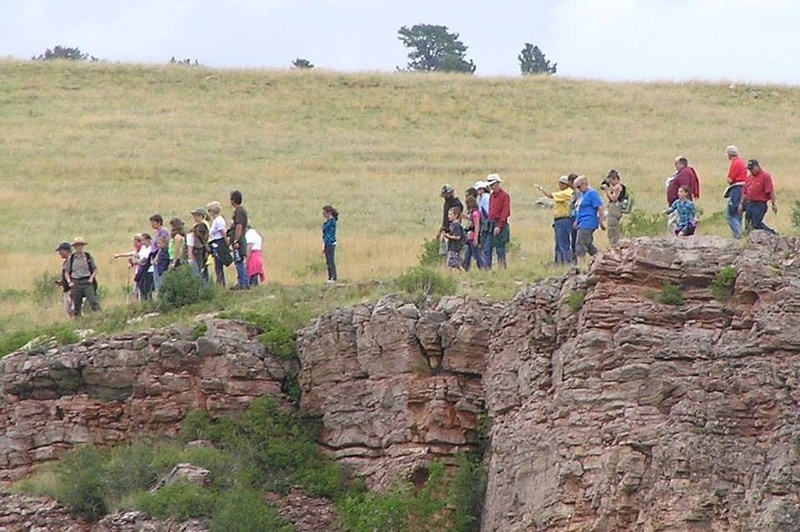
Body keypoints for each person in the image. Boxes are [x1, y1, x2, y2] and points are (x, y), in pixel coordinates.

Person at [536, 175, 573, 264]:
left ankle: (564, 262)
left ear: (564, 184)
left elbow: (550, 195)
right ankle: (559, 262)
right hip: (559, 220)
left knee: (563, 242)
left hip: (563, 220)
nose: (559, 186)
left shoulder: (566, 193)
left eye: (560, 183)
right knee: (559, 242)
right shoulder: (565, 192)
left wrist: (541, 188)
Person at [573, 176, 605, 271]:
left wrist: (601, 221)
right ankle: (601, 259)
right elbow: (580, 209)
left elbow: (600, 206)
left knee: (580, 243)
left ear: (584, 184)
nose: (578, 190)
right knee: (588, 244)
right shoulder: (582, 195)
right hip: (581, 221)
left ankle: (581, 266)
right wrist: (576, 221)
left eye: (579, 187)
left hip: (588, 222)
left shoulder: (592, 193)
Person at [739, 159, 778, 235]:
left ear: (757, 167)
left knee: (756, 223)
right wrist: (741, 204)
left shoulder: (765, 176)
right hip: (749, 204)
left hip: (759, 204)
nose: (751, 171)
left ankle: (771, 234)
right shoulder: (749, 178)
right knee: (748, 225)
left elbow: (770, 191)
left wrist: (773, 204)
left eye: (752, 169)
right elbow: (744, 192)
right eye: (749, 169)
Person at [65, 237, 100, 317]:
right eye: (77, 246)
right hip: (76, 282)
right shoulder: (72, 258)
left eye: (80, 245)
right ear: (75, 247)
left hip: (87, 281)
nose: (79, 247)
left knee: (93, 301)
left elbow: (95, 269)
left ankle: (99, 317)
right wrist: (69, 281)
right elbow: (66, 271)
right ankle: (78, 322)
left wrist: (91, 278)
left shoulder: (87, 256)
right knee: (77, 304)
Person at [486, 173, 511, 269]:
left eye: (492, 184)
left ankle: (502, 268)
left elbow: (505, 212)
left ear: (497, 183)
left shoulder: (504, 196)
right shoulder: (492, 196)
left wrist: (499, 226)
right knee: (487, 248)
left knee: (500, 249)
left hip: (500, 223)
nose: (491, 187)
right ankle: (487, 269)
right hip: (491, 223)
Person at [723, 145, 747, 239]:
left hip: (736, 189)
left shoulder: (735, 163)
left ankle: (738, 235)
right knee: (738, 213)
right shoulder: (741, 162)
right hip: (743, 188)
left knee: (730, 214)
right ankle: (737, 235)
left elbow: (730, 179)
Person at [229, 190, 249, 290]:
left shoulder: (239, 211)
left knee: (239, 260)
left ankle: (243, 282)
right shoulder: (240, 211)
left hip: (239, 240)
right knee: (239, 261)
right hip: (239, 239)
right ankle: (243, 281)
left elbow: (239, 226)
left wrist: (236, 240)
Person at [206, 201, 230, 287]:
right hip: (216, 243)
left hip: (219, 243)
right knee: (217, 265)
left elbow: (223, 233)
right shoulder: (216, 220)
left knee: (218, 265)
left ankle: (221, 283)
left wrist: (227, 243)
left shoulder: (218, 221)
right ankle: (220, 283)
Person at [114, 234, 144, 300]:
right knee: (136, 289)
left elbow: (134, 256)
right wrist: (119, 255)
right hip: (138, 272)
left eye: (134, 242)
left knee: (139, 289)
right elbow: (130, 254)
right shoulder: (137, 250)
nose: (133, 243)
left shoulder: (143, 250)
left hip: (142, 272)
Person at [602, 170, 627, 246]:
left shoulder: (618, 187)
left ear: (615, 179)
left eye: (611, 180)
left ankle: (615, 245)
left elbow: (614, 198)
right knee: (613, 229)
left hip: (615, 210)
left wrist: (607, 191)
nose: (610, 182)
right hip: (616, 209)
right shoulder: (618, 187)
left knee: (612, 229)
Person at [437, 185, 463, 256]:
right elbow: (445, 218)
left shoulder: (457, 204)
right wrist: (441, 230)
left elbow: (458, 219)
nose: (445, 197)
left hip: (452, 232)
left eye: (447, 195)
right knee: (444, 252)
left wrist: (453, 232)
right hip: (445, 230)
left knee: (452, 253)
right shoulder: (446, 203)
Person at [149, 214, 170, 291]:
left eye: (153, 222)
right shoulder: (156, 232)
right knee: (156, 278)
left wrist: (157, 257)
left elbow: (162, 246)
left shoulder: (163, 232)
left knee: (160, 277)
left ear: (159, 222)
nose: (152, 224)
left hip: (160, 255)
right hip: (154, 254)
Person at [462, 196, 484, 271]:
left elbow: (477, 226)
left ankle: (483, 267)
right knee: (468, 254)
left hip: (473, 236)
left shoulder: (475, 214)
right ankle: (465, 268)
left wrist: (475, 238)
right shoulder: (475, 213)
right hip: (470, 237)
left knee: (477, 255)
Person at [188, 208, 210, 282]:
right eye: (194, 216)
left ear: (202, 216)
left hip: (199, 249)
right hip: (200, 249)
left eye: (197, 216)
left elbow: (200, 236)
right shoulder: (199, 225)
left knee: (199, 269)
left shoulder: (202, 225)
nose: (195, 218)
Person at [475, 180, 491, 269]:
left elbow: (486, 212)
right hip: (483, 223)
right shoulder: (482, 198)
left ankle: (485, 265)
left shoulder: (485, 198)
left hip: (485, 223)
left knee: (485, 246)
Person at [55, 242, 73, 317]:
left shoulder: (72, 261)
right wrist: (62, 282)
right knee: (69, 311)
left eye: (60, 251)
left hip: (72, 289)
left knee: (72, 310)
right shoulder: (67, 262)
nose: (59, 253)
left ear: (66, 250)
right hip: (67, 289)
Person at [321, 205, 338, 283]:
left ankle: (333, 277)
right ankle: (330, 276)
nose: (323, 214)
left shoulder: (332, 222)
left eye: (324, 213)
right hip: (327, 242)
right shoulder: (328, 222)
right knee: (328, 260)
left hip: (330, 242)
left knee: (331, 260)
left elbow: (329, 233)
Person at [136, 233, 155, 301]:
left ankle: (149, 303)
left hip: (149, 270)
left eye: (143, 240)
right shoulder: (143, 248)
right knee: (142, 289)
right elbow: (138, 255)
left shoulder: (151, 248)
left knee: (148, 290)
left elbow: (144, 260)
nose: (142, 242)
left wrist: (136, 261)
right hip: (142, 271)